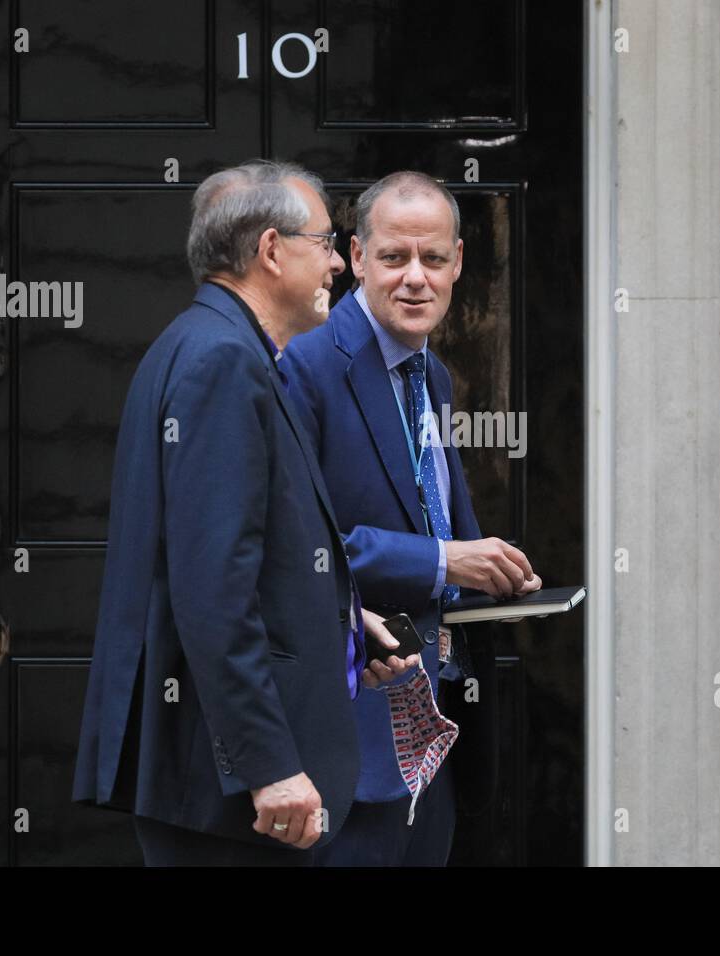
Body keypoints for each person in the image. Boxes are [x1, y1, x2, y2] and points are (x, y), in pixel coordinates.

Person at [71, 160, 417, 866]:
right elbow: (212, 590)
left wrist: (346, 627)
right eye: (326, 243)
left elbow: (251, 559)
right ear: (269, 250)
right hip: (231, 795)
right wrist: (269, 767)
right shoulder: (221, 361)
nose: (336, 266)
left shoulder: (206, 347)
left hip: (216, 786)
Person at [283, 171, 541, 866]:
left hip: (439, 732)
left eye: (433, 259)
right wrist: (444, 561)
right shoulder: (305, 366)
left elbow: (428, 510)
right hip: (352, 745)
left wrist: (485, 582)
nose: (416, 278)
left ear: (459, 261)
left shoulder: (433, 374)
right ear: (358, 258)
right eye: (395, 258)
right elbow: (302, 547)